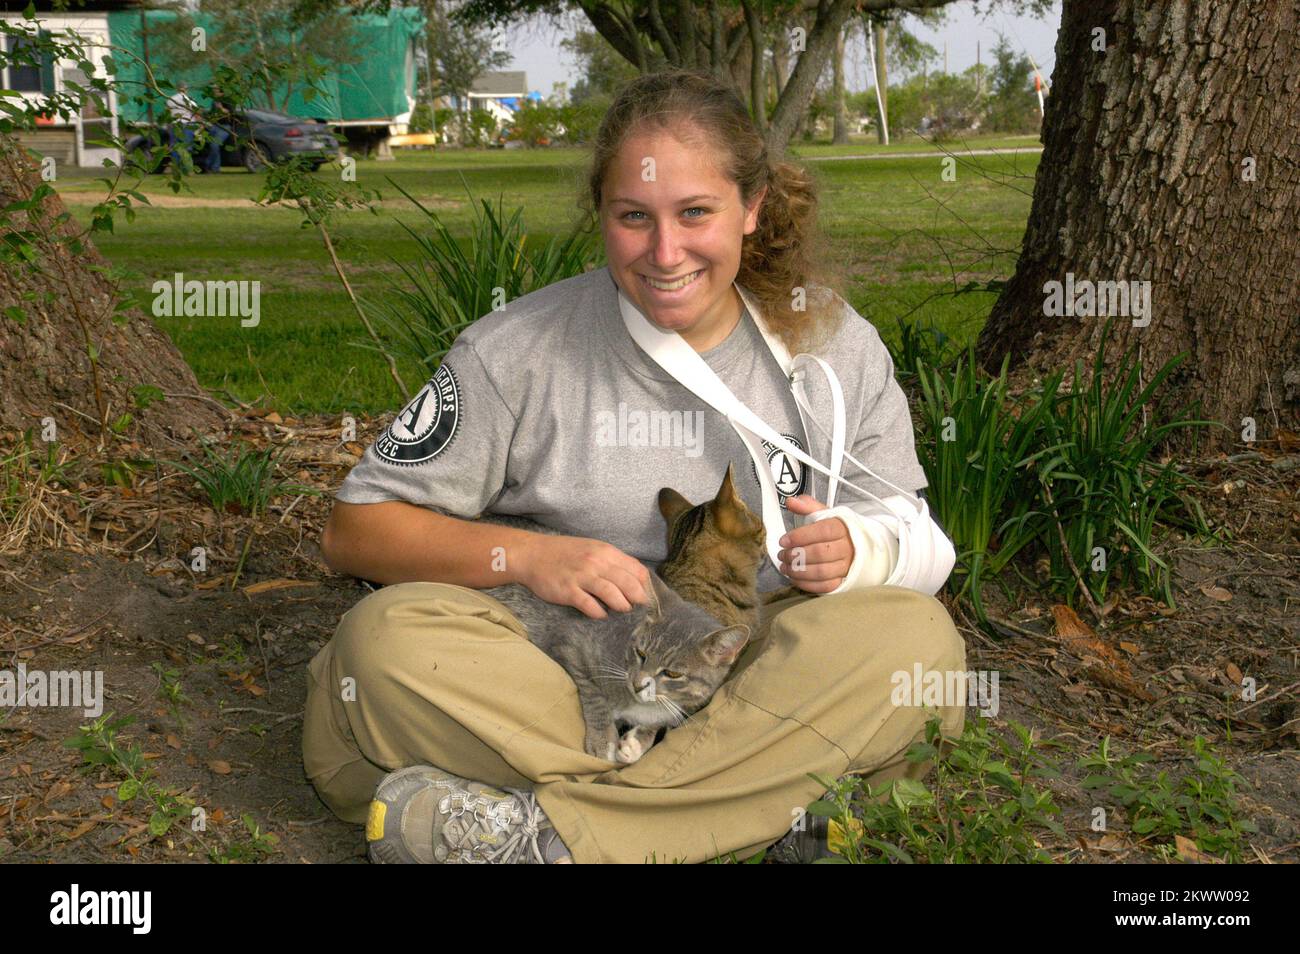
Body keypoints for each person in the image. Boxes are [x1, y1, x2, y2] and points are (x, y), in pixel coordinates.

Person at [302, 68, 967, 864]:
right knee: (385, 646)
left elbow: (911, 538)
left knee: (913, 642)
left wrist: (863, 549)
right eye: (632, 218)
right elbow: (355, 532)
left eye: (695, 213)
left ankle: (546, 836)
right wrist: (535, 556)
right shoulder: (515, 352)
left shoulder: (830, 344)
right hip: (567, 673)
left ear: (751, 209)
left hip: (748, 663)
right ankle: (746, 810)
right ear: (602, 216)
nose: (664, 252)